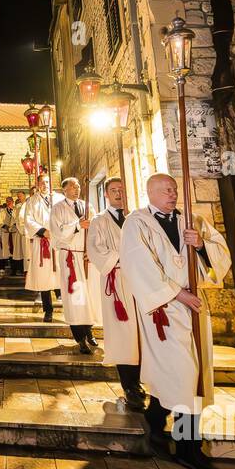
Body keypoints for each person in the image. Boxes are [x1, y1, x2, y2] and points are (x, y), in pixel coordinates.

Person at [120, 173, 231, 469]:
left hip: (194, 306)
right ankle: (187, 448)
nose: (172, 193)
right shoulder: (137, 223)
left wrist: (202, 246)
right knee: (184, 375)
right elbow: (137, 262)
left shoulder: (192, 219)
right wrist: (177, 293)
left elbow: (220, 254)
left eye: (174, 188)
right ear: (150, 193)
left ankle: (155, 421)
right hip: (165, 308)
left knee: (188, 375)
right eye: (165, 190)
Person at [86, 177, 146, 414]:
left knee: (143, 332)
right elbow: (95, 249)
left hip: (142, 281)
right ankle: (130, 385)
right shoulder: (100, 221)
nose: (119, 193)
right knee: (124, 334)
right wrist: (122, 258)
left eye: (122, 189)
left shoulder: (139, 218)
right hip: (118, 280)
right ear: (107, 195)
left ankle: (143, 379)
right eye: (113, 190)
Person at [50, 177, 102, 354]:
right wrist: (77, 225)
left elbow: (96, 230)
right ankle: (80, 337)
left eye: (78, 185)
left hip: (86, 257)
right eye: (72, 186)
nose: (76, 188)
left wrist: (93, 249)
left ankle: (89, 331)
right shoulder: (57, 209)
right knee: (76, 298)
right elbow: (58, 233)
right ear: (64, 190)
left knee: (89, 296)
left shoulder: (89, 207)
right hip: (70, 257)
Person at [21, 174, 61, 321]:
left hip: (59, 241)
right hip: (42, 241)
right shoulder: (32, 201)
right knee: (44, 276)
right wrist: (43, 231)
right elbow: (28, 220)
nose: (45, 185)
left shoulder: (59, 199)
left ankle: (65, 302)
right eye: (42, 182)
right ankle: (48, 310)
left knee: (60, 272)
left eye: (47, 182)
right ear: (37, 184)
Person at [0, 196, 24, 276]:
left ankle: (20, 269)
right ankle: (12, 269)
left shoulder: (17, 210)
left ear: (13, 201)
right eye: (7, 201)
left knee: (18, 251)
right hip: (8, 234)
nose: (8, 202)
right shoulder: (3, 211)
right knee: (10, 251)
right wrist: (5, 226)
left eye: (10, 201)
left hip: (17, 233)